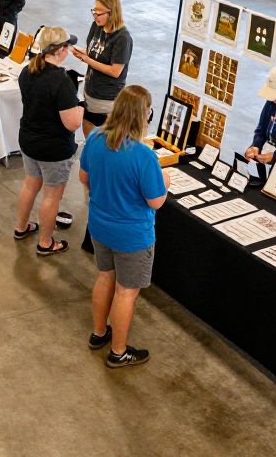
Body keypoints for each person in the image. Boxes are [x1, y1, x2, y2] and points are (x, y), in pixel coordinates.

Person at [80, 85, 169, 369]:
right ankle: (118, 352)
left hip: (100, 225)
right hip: (132, 235)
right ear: (145, 115)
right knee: (126, 291)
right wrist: (165, 184)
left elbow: (84, 176)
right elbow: (155, 202)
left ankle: (99, 332)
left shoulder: (95, 137)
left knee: (105, 277)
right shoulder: (144, 156)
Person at [70, 0, 134, 251]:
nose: (94, 16)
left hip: (108, 100)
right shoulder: (96, 27)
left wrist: (88, 60)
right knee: (92, 145)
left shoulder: (122, 38)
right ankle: (93, 183)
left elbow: (115, 70)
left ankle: (103, 190)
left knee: (106, 146)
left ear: (112, 12)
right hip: (90, 95)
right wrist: (83, 54)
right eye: (93, 11)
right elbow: (95, 55)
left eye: (99, 12)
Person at [14, 27, 83, 256]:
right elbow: (72, 124)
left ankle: (21, 227)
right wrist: (81, 107)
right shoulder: (61, 82)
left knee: (30, 184)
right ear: (61, 50)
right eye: (68, 46)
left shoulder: (28, 71)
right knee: (52, 195)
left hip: (29, 140)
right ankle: (45, 242)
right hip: (53, 149)